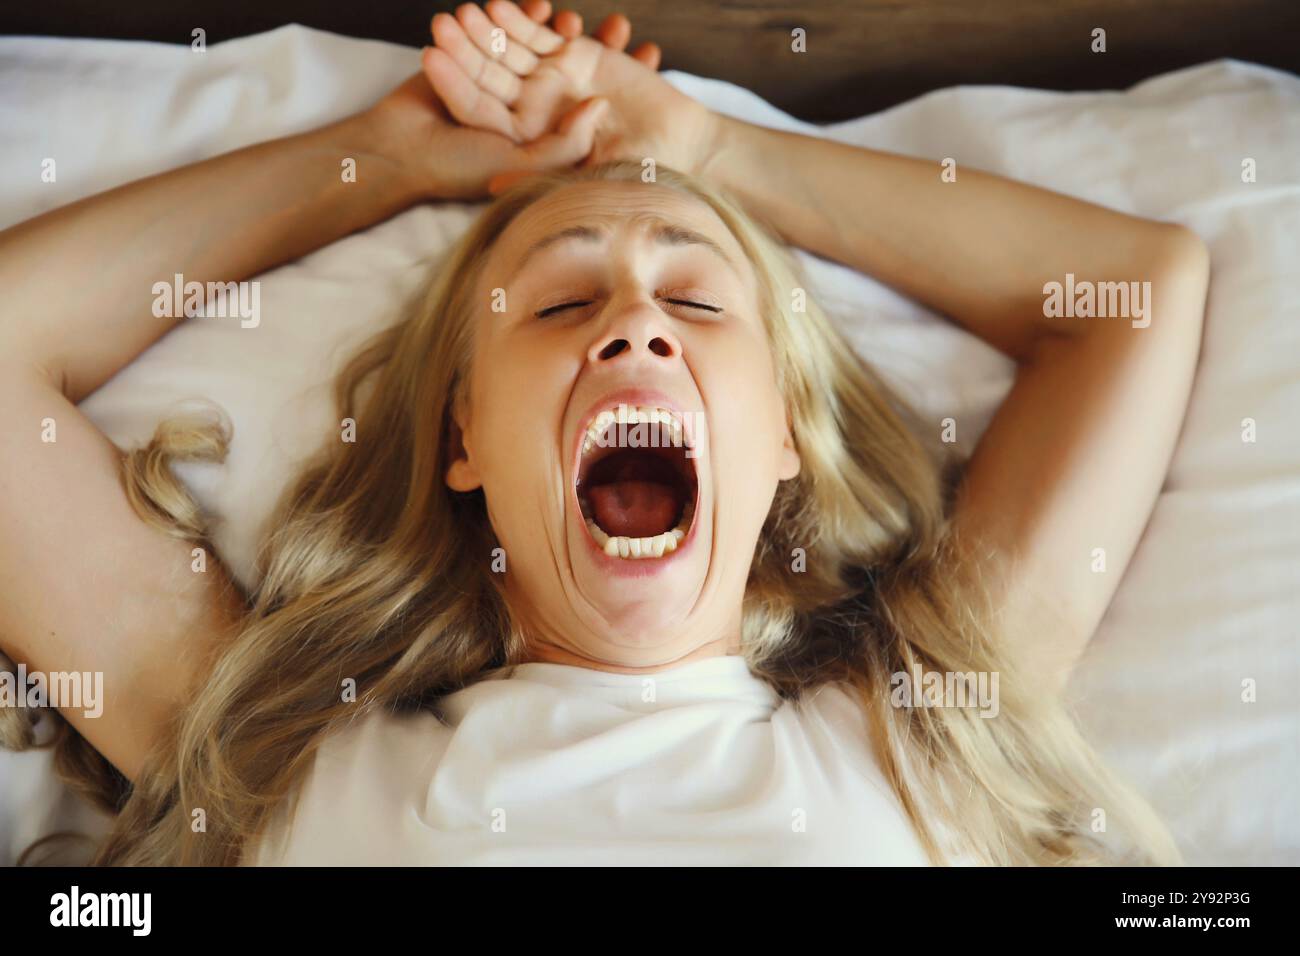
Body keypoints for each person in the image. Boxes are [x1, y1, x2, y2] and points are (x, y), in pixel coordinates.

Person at [0, 1, 1208, 865]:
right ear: (463, 438)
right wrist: (388, 156)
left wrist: (709, 148)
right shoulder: (274, 764)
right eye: (565, 302)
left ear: (784, 435)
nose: (636, 327)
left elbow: (1129, 295)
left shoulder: (930, 747)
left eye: (693, 299)